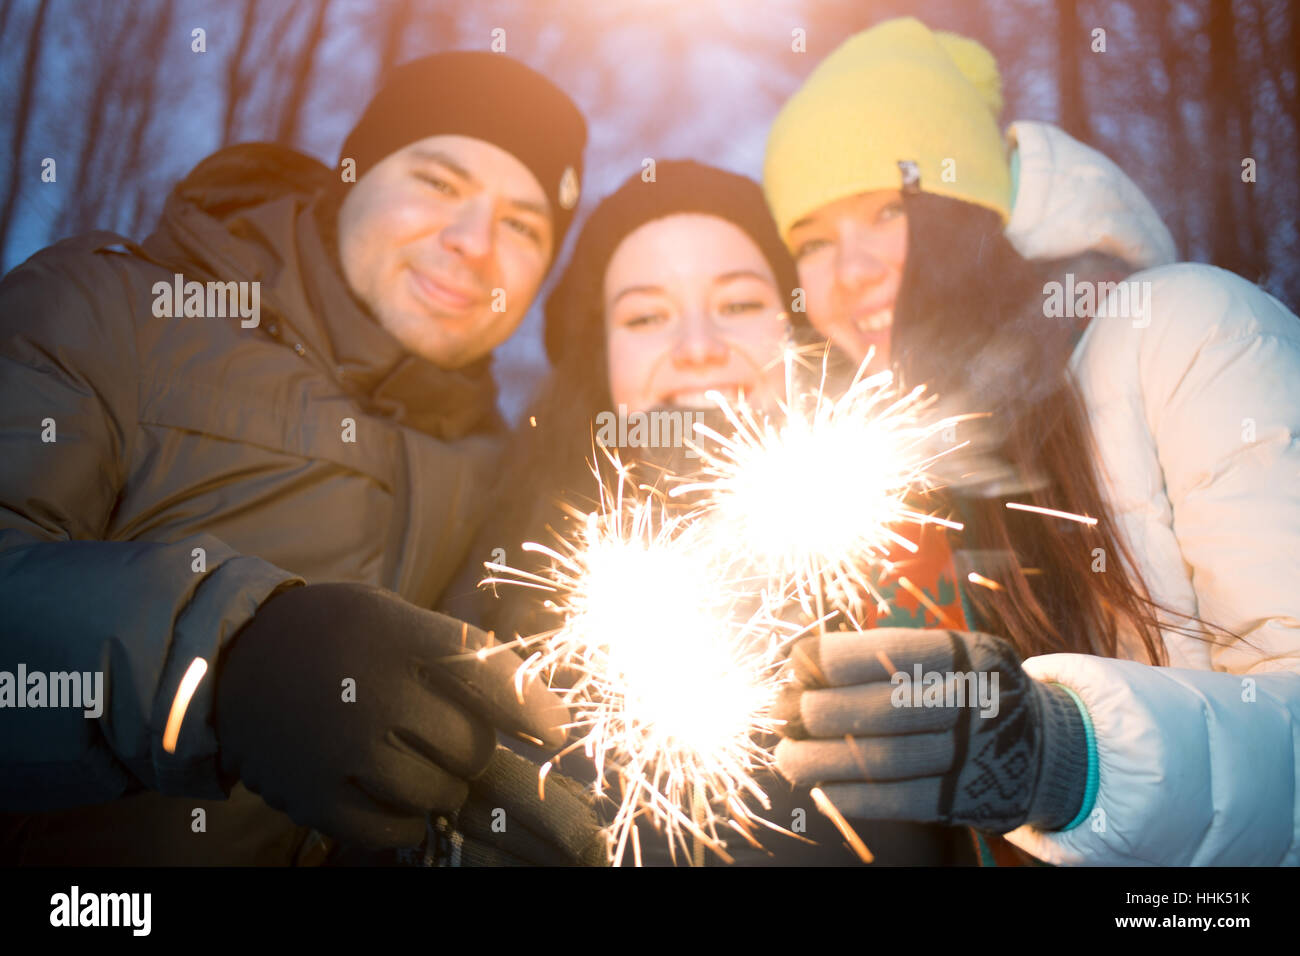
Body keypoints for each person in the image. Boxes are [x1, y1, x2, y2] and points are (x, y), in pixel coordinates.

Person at [0, 51, 603, 866]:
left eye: (524, 225)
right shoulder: (105, 315)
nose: (473, 242)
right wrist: (228, 667)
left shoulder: (500, 472)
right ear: (350, 177)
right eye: (438, 182)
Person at [762, 18, 1300, 865]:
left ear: (967, 207)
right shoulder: (882, 477)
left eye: (884, 212)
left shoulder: (1189, 334)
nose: (848, 268)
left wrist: (1075, 759)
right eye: (813, 241)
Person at [448, 160, 976, 865]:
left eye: (738, 305)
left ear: (801, 335)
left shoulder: (930, 554)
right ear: (597, 361)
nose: (698, 347)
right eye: (646, 317)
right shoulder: (497, 587)